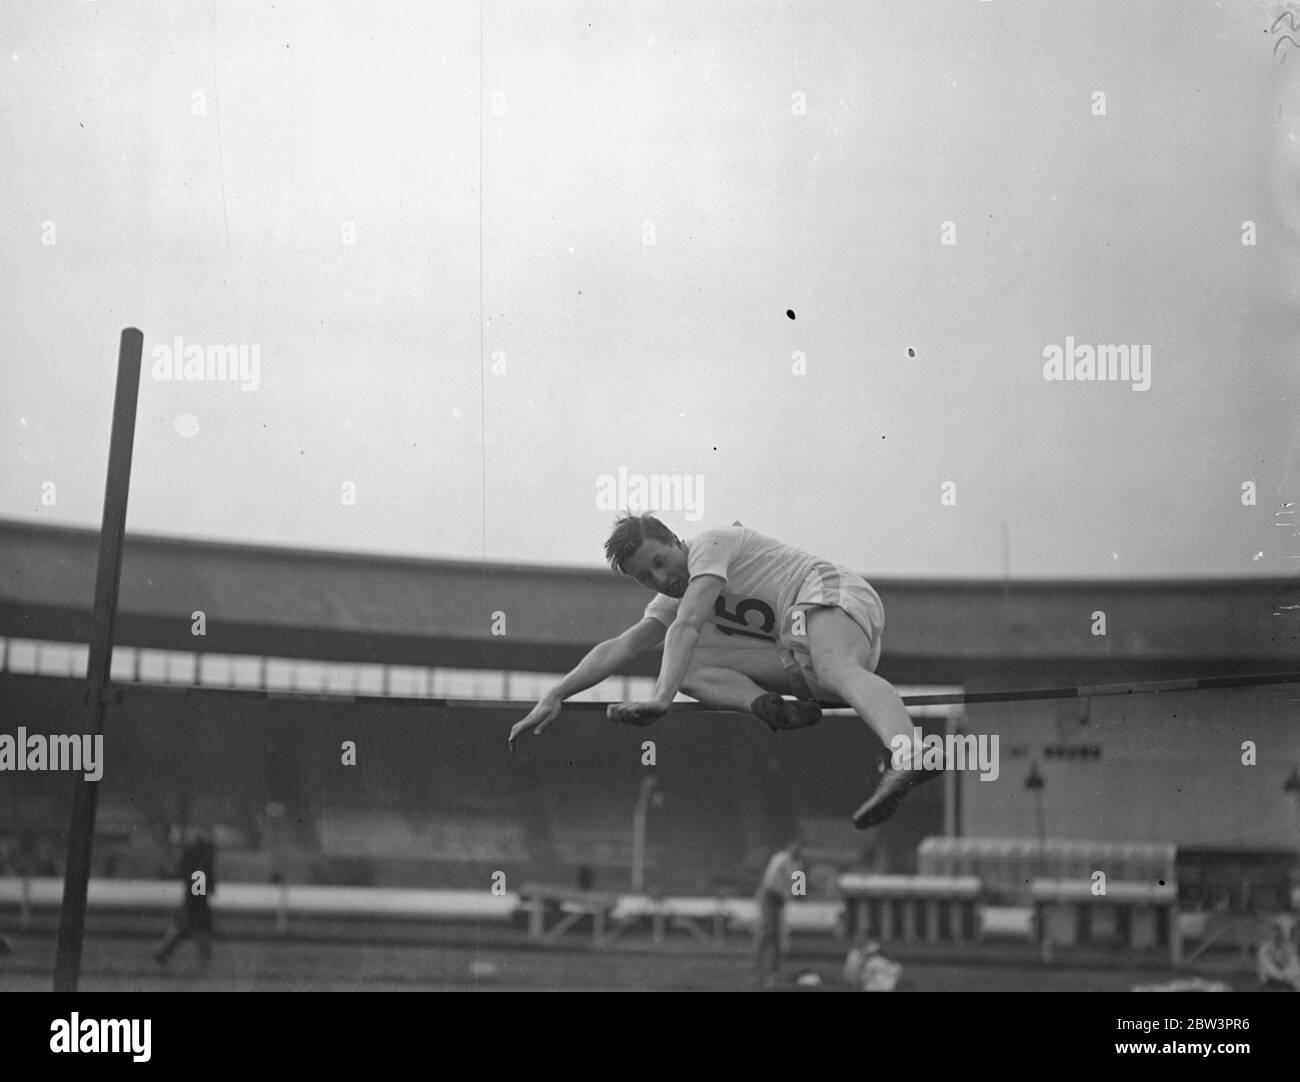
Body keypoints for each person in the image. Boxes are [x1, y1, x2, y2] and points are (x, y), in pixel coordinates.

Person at [509, 514, 933, 827]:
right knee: (687, 667)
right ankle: (768, 707)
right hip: (801, 660)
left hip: (828, 596)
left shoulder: (710, 545)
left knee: (828, 662)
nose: (661, 579)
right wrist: (557, 694)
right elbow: (625, 645)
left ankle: (909, 752)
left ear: (678, 541)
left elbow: (688, 623)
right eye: (645, 577)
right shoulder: (671, 597)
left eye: (660, 561)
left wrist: (661, 698)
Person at [153, 827, 217, 967]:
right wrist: (203, 893)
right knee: (197, 929)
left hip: (195, 896)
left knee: (190, 929)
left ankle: (163, 953)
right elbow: (201, 874)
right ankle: (204, 961)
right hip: (197, 897)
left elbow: (189, 871)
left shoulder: (197, 851)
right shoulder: (203, 853)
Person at [754, 841, 803, 988]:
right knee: (767, 933)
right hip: (769, 896)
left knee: (776, 935)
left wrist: (796, 891)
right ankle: (759, 969)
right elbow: (772, 881)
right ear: (789, 847)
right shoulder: (780, 859)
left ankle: (772, 971)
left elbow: (797, 889)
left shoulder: (798, 864)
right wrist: (788, 892)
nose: (796, 850)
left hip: (780, 899)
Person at [1258, 919, 1300, 991]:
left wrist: (1289, 976)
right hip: (1270, 982)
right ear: (1271, 934)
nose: (1277, 935)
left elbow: (1295, 965)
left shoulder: (1288, 948)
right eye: (1275, 932)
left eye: (1280, 932)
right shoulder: (1265, 949)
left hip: (1288, 979)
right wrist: (1283, 977)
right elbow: (1269, 968)